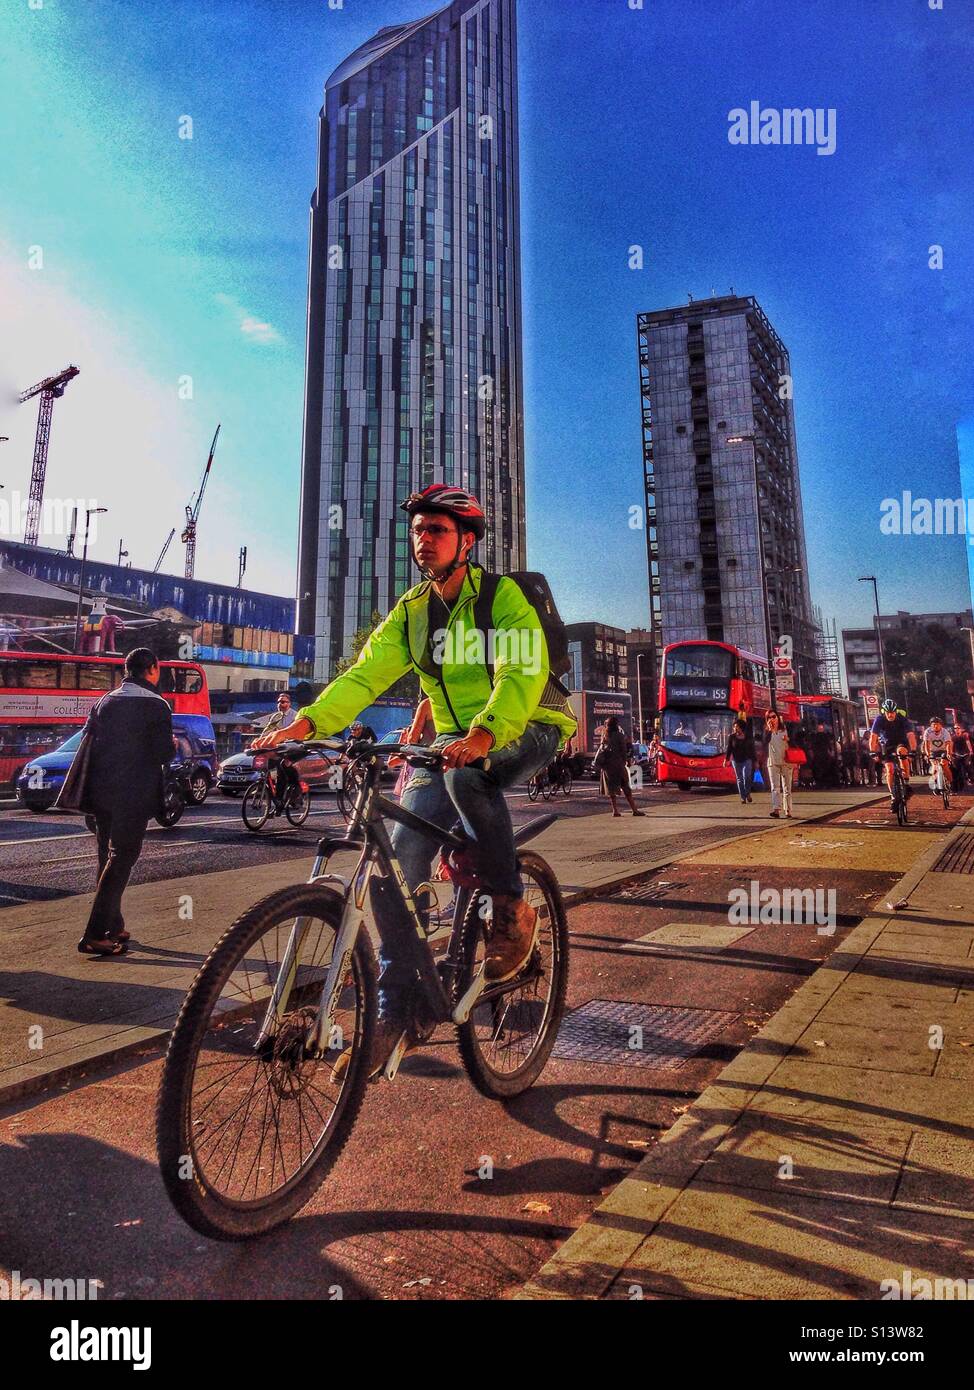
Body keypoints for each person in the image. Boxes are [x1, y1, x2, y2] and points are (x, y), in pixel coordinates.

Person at [254, 482, 576, 1075]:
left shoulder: (500, 600)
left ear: (467, 542)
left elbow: (520, 669)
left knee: (470, 780)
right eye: (418, 531)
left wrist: (484, 733)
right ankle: (401, 1007)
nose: (422, 540)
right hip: (448, 743)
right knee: (396, 857)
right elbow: (364, 675)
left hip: (525, 722)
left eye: (436, 531)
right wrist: (306, 724)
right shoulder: (413, 612)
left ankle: (511, 908)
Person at [74, 648, 174, 955]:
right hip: (134, 791)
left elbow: (88, 739)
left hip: (103, 790)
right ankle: (93, 934)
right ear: (152, 669)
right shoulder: (157, 705)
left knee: (107, 855)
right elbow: (162, 755)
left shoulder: (106, 701)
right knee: (123, 856)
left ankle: (113, 925)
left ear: (126, 670)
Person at [869, 699, 917, 809]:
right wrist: (872, 751)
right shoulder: (879, 719)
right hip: (887, 745)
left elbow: (910, 735)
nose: (890, 715)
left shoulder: (902, 719)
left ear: (896, 712)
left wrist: (913, 750)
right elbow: (873, 737)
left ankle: (906, 782)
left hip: (901, 742)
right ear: (884, 712)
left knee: (902, 753)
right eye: (888, 713)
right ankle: (893, 796)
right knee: (889, 770)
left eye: (892, 712)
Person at [596, 715, 645, 818]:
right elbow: (623, 750)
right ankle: (634, 810)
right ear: (616, 725)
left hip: (607, 766)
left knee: (611, 789)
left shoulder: (604, 735)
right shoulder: (619, 736)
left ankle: (615, 810)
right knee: (626, 787)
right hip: (618, 765)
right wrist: (627, 761)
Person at [763, 709, 794, 819]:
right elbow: (765, 742)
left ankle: (788, 810)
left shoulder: (784, 729)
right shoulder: (767, 731)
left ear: (777, 717)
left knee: (787, 787)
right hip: (773, 761)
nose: (772, 719)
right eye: (769, 717)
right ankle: (776, 810)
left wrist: (788, 739)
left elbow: (792, 742)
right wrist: (770, 730)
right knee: (775, 787)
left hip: (786, 761)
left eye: (774, 716)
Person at [724, 718, 756, 804]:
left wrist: (755, 761)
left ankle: (748, 793)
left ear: (741, 727)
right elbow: (729, 749)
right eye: (734, 727)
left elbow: (752, 750)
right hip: (736, 760)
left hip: (747, 759)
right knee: (739, 779)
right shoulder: (732, 737)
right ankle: (743, 797)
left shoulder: (748, 737)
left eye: (737, 727)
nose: (735, 728)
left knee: (747, 777)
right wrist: (726, 760)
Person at [922, 715, 953, 791]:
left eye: (937, 724)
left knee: (944, 765)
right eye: (933, 725)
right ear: (931, 726)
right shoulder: (927, 732)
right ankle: (936, 783)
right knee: (934, 767)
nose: (935, 726)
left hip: (943, 750)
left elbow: (948, 744)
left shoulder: (945, 732)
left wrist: (948, 754)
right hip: (933, 751)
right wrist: (928, 754)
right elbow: (926, 744)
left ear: (941, 725)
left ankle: (950, 783)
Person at [951, 723, 971, 792]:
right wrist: (951, 753)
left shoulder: (965, 735)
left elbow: (968, 743)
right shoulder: (953, 737)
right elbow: (951, 745)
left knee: (967, 765)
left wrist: (971, 751)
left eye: (958, 728)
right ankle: (959, 784)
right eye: (955, 728)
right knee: (957, 769)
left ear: (961, 729)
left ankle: (970, 778)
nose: (956, 729)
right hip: (957, 755)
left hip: (966, 754)